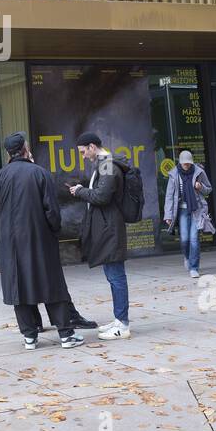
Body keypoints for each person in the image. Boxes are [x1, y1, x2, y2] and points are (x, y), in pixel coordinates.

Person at [0, 132, 83, 350]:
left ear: (8, 152)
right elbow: (52, 210)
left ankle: (29, 336)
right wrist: (54, 230)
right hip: (40, 237)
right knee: (51, 284)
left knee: (18, 286)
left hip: (11, 242)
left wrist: (4, 232)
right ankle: (66, 334)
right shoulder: (40, 173)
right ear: (24, 149)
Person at [69, 132, 132, 340]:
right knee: (113, 276)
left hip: (110, 228)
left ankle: (122, 325)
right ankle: (118, 319)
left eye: (83, 151)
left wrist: (79, 191)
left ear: (92, 147)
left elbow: (102, 196)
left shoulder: (107, 165)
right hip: (109, 227)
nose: (83, 156)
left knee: (116, 277)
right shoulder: (105, 163)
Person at [162, 150, 212, 279]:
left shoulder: (199, 172)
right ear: (180, 162)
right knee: (184, 239)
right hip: (182, 211)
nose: (186, 166)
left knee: (194, 239)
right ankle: (187, 257)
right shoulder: (174, 174)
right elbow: (169, 196)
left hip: (196, 209)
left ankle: (194, 267)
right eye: (184, 163)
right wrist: (168, 215)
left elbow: (208, 189)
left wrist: (200, 187)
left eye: (188, 163)